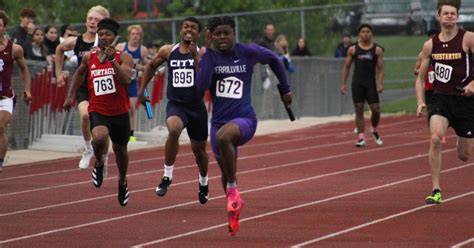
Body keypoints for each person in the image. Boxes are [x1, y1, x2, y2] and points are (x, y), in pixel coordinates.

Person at [195, 16, 292, 236]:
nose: (222, 38)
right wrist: (209, 52)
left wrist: (285, 89)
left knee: (223, 139)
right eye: (217, 34)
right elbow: (201, 87)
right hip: (218, 122)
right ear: (210, 35)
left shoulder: (247, 52)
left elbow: (275, 60)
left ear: (233, 34)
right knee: (227, 170)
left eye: (226, 33)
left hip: (244, 120)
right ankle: (233, 212)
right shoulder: (209, 57)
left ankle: (233, 190)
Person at [137, 17, 210, 204]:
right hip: (177, 104)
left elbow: (205, 80)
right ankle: (167, 176)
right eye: (186, 26)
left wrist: (195, 58)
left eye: (193, 28)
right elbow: (151, 66)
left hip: (196, 107)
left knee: (199, 153)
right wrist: (142, 89)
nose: (189, 30)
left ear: (198, 33)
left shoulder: (203, 53)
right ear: (180, 30)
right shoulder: (169, 51)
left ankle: (203, 182)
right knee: (174, 129)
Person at [63, 18, 133, 206]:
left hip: (119, 112)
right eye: (100, 34)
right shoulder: (89, 56)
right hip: (98, 109)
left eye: (107, 34)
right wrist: (70, 96)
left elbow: (126, 80)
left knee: (121, 151)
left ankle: (123, 181)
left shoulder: (124, 57)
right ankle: (100, 162)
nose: (103, 37)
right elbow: (79, 73)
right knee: (100, 138)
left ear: (114, 37)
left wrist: (112, 61)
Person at [415, 0, 474, 205]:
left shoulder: (468, 38)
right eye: (445, 13)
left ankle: (461, 137)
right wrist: (421, 101)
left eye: (452, 13)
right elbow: (420, 78)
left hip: (465, 101)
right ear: (438, 17)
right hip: (440, 99)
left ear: (457, 16)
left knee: (464, 155)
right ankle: (436, 189)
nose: (449, 16)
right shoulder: (430, 45)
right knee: (435, 139)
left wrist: (473, 84)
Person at [55, 5, 110, 169]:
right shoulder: (76, 41)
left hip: (101, 87)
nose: (92, 22)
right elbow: (59, 49)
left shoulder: (106, 42)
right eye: (90, 19)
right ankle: (87, 149)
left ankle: (103, 156)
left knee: (102, 127)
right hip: (83, 87)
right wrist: (58, 72)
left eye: (97, 20)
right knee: (85, 116)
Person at [341, 23, 384, 147]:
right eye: (363, 32)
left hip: (370, 83)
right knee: (359, 109)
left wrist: (380, 83)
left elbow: (380, 69)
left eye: (368, 31)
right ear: (359, 34)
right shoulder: (353, 49)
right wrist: (343, 83)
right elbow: (347, 67)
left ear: (371, 34)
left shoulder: (377, 50)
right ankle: (361, 138)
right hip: (357, 83)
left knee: (375, 110)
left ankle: (374, 129)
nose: (365, 34)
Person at [0, 10, 33, 173]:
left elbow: (24, 69)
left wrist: (27, 90)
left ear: (4, 27)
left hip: (5, 96)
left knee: (0, 126)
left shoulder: (14, 49)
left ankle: (0, 161)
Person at [116, 25, 148, 142]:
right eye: (133, 34)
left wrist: (139, 67)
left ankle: (131, 134)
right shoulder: (121, 47)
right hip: (120, 82)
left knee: (132, 108)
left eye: (137, 34)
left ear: (140, 37)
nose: (135, 36)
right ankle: (118, 131)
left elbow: (148, 66)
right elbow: (114, 60)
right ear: (129, 35)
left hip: (132, 82)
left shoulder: (142, 50)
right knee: (119, 107)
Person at [414, 29, 438, 116]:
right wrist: (425, 71)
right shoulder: (423, 54)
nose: (433, 39)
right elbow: (416, 70)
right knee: (430, 108)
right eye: (431, 37)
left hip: (441, 84)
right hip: (429, 85)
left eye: (435, 37)